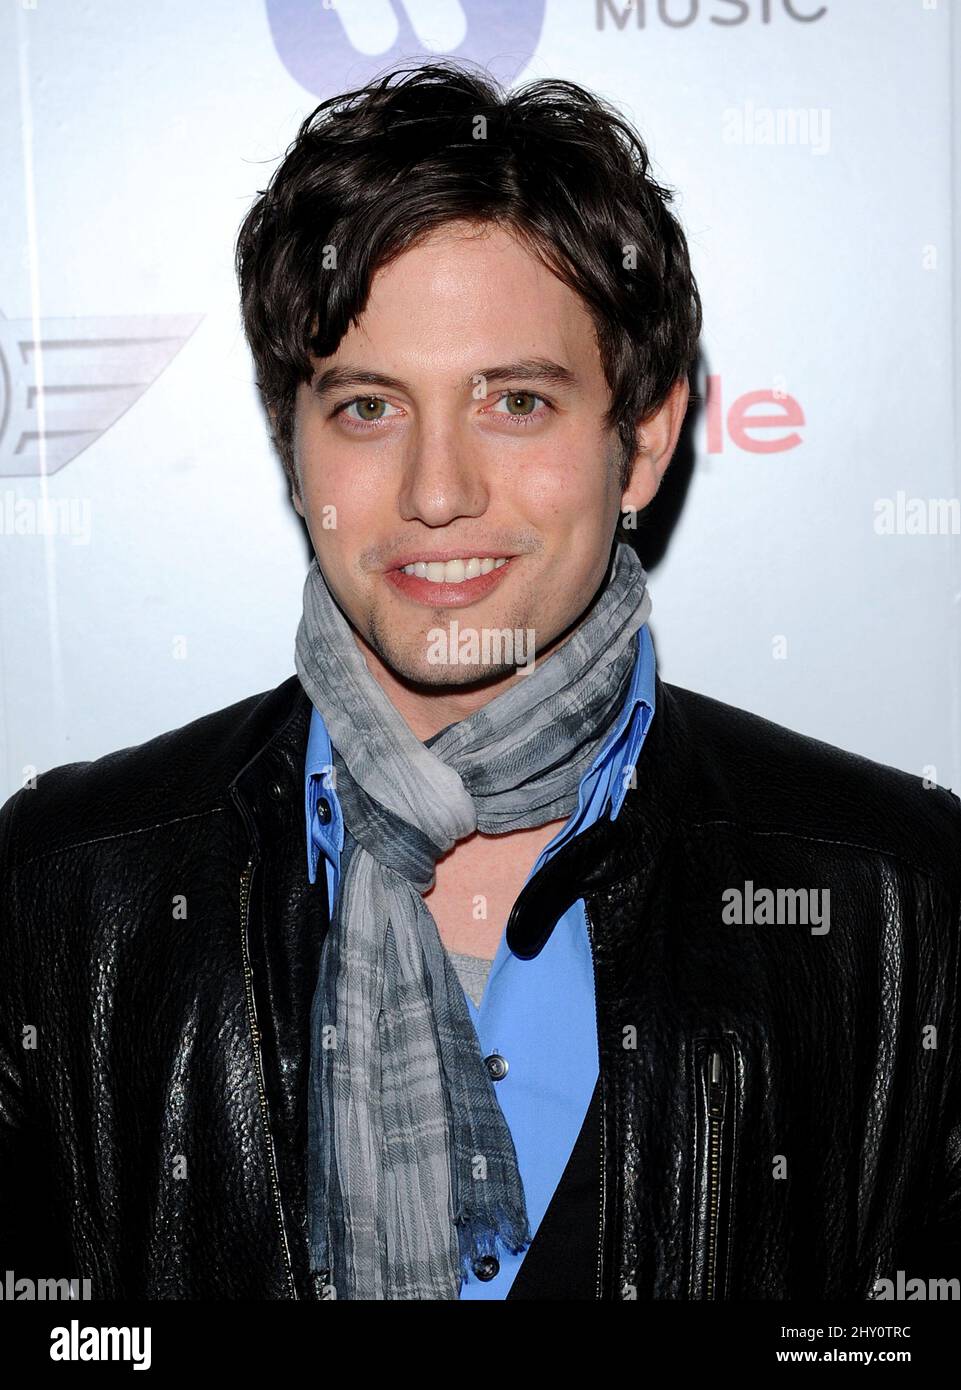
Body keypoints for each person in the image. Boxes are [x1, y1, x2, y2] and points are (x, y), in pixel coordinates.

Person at [1, 58, 959, 1303]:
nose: (436, 490)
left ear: (646, 438)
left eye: (513, 401)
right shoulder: (70, 891)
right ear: (293, 445)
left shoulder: (894, 899)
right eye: (365, 407)